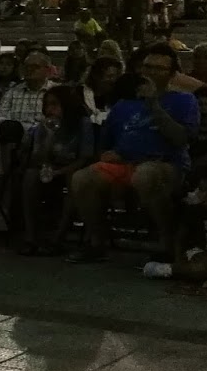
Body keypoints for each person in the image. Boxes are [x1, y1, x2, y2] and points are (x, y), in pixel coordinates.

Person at [68, 44, 199, 263]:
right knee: (82, 178)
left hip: (165, 165)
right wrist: (107, 154)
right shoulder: (124, 104)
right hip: (124, 164)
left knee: (145, 175)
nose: (150, 73)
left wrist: (154, 104)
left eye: (158, 68)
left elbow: (181, 139)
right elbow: (105, 144)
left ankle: (167, 243)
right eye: (147, 67)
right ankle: (96, 241)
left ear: (172, 74)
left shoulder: (184, 101)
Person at [17, 84, 94, 256]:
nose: (50, 109)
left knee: (73, 178)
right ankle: (31, 236)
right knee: (30, 176)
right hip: (49, 166)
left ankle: (58, 237)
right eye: (47, 105)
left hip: (73, 168)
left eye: (55, 104)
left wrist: (60, 172)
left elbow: (84, 157)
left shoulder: (82, 124)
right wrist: (49, 137)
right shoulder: (43, 126)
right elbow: (38, 158)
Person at [0, 50, 54, 126]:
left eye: (35, 67)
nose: (29, 69)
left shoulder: (57, 92)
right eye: (27, 66)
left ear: (48, 70)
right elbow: (0, 120)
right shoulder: (12, 92)